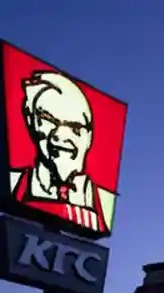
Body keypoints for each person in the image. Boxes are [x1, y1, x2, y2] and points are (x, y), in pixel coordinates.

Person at [9, 70, 116, 233]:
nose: (61, 136)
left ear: (89, 137)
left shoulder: (104, 201)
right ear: (31, 122)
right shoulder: (12, 183)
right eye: (49, 120)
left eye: (75, 127)